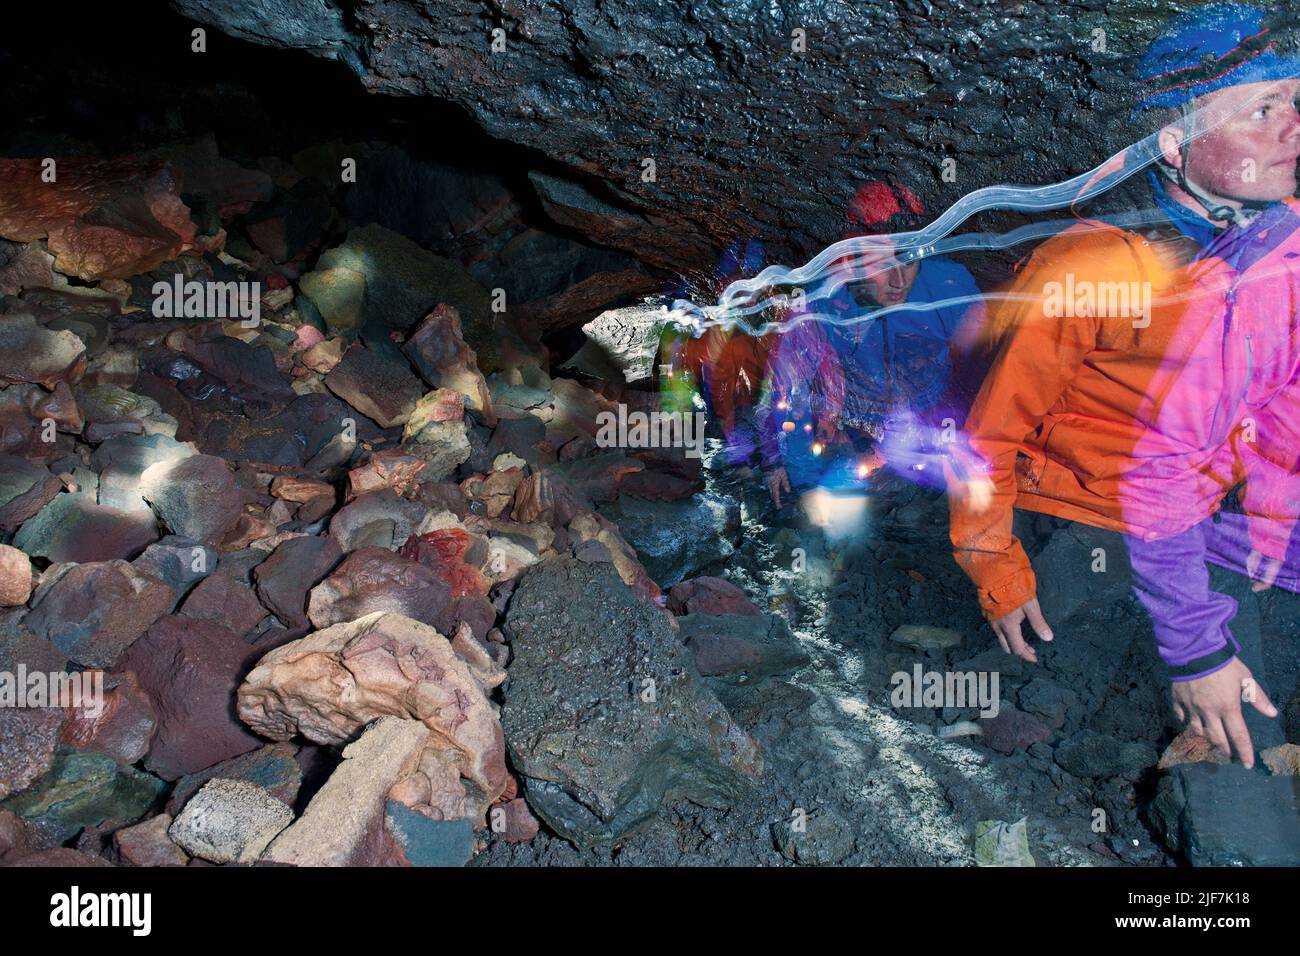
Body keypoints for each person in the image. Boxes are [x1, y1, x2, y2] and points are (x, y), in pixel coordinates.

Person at [947, 3, 1300, 767]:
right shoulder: (1092, 268)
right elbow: (990, 435)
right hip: (1080, 518)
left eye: (1295, 102)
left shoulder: (1279, 249)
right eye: (1262, 109)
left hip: (1199, 520)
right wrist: (1000, 574)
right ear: (1173, 144)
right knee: (1223, 733)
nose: (1292, 127)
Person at [760, 181, 984, 508]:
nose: (898, 281)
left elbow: (991, 371)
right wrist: (777, 463)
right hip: (851, 429)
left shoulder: (948, 287)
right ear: (852, 260)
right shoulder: (817, 307)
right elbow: (783, 391)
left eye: (908, 260)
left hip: (927, 433)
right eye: (882, 263)